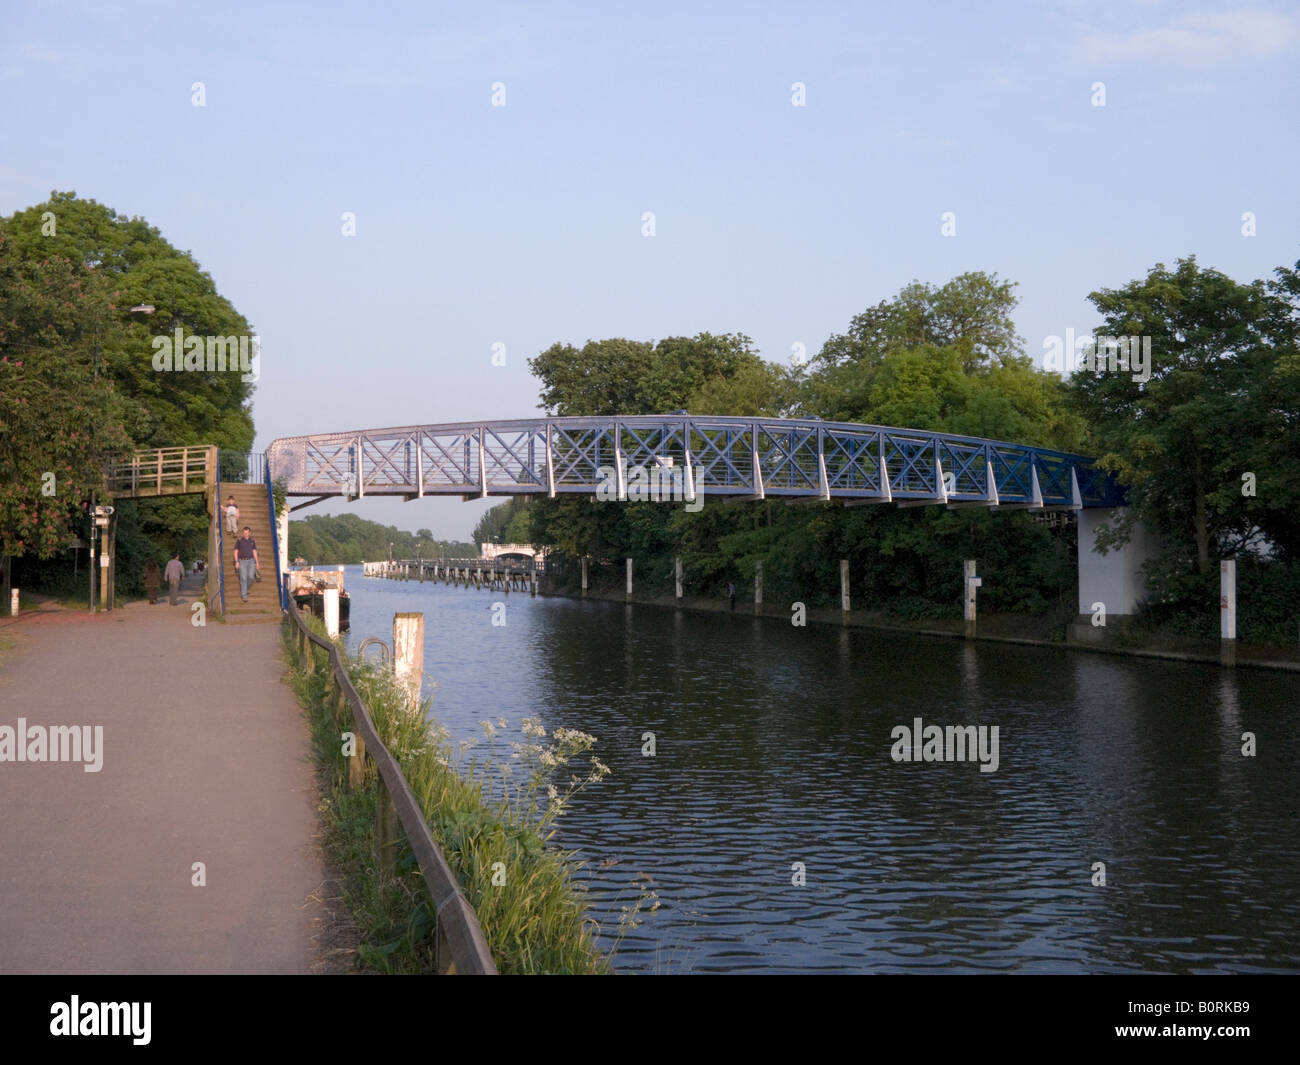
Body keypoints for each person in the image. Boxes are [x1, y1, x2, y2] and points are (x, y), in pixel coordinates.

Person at [233, 526, 259, 602]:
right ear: (243, 533)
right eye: (244, 533)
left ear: (249, 533)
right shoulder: (239, 541)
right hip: (242, 561)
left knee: (251, 577)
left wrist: (257, 562)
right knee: (243, 578)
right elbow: (235, 551)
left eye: (247, 533)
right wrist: (236, 561)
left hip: (251, 561)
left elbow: (254, 551)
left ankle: (245, 589)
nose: (246, 534)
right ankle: (244, 595)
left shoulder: (252, 541)